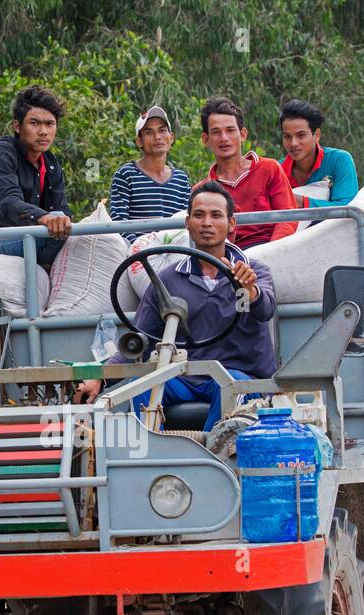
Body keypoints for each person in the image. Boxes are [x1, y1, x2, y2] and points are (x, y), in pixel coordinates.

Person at [75, 182, 276, 432]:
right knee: (141, 386)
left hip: (238, 377)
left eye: (216, 215)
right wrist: (100, 376)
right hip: (185, 377)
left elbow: (265, 309)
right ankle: (151, 460)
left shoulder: (253, 272)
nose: (206, 223)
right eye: (199, 215)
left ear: (231, 224)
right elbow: (142, 339)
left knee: (234, 387)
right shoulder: (168, 280)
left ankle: (215, 458)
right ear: (187, 223)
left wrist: (249, 290)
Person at [0, 85, 73, 266]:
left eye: (50, 124)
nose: (43, 131)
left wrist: (59, 220)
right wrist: (45, 218)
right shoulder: (3, 153)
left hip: (25, 238)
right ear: (17, 126)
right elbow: (9, 202)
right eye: (34, 123)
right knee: (57, 231)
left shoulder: (50, 163)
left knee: (73, 231)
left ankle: (44, 274)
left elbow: (63, 211)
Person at [200, 96, 297, 248]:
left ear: (243, 134)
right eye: (216, 132)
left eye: (230, 130)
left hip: (274, 251)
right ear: (205, 139)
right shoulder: (203, 190)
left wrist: (271, 253)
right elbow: (205, 238)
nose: (224, 138)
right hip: (228, 261)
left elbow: (288, 218)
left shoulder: (269, 169)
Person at [109, 106, 192, 243]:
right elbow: (118, 222)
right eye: (149, 132)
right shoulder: (126, 175)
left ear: (171, 138)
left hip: (175, 253)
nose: (157, 137)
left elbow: (186, 222)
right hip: (136, 256)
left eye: (162, 130)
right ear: (139, 141)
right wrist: (140, 249)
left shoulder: (181, 179)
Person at [279, 99, 359, 207]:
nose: (293, 143)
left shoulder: (339, 160)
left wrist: (302, 202)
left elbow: (347, 209)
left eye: (301, 135)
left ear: (316, 135)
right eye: (287, 136)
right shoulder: (277, 171)